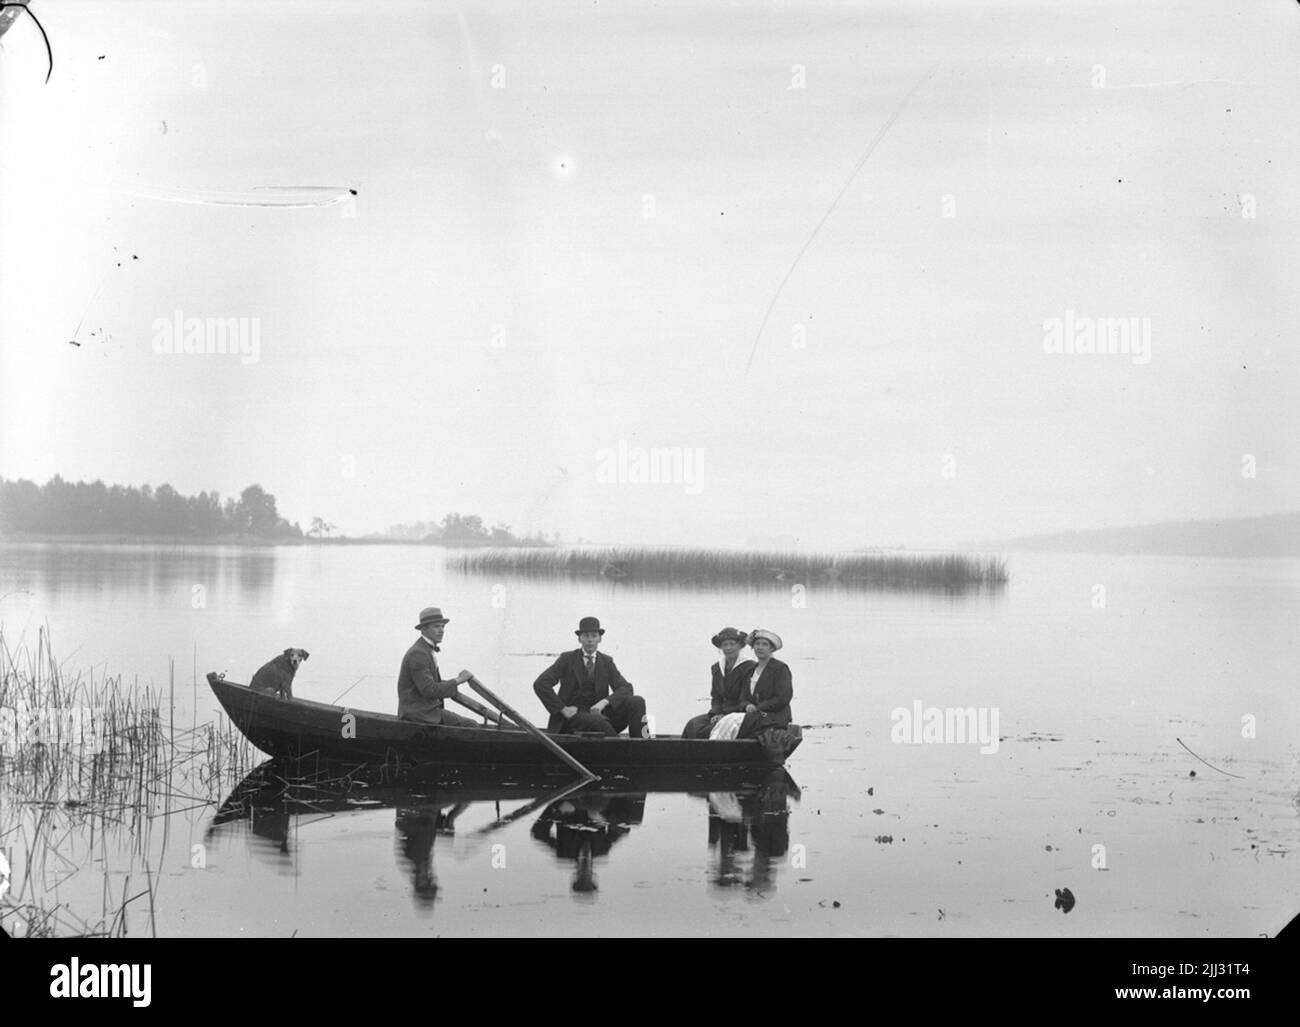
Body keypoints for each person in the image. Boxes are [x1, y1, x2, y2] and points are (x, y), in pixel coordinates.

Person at [533, 616, 649, 736]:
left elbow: (626, 688)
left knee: (637, 701)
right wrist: (563, 709)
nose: (590, 640)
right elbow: (541, 684)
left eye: (594, 636)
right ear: (579, 639)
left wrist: (604, 702)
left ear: (600, 639)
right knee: (598, 721)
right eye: (586, 636)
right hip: (572, 720)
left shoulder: (606, 661)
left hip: (600, 715)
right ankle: (621, 749)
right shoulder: (567, 659)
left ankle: (642, 744)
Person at [397, 607, 481, 727]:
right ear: (424, 629)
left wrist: (453, 685)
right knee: (471, 725)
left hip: (424, 711)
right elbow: (429, 690)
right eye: (436, 626)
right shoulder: (418, 653)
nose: (441, 630)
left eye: (443, 626)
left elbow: (431, 684)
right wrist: (459, 680)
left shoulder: (425, 649)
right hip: (419, 713)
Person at [681, 628, 755, 739]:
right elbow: (716, 696)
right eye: (725, 644)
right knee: (693, 724)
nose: (728, 648)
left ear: (739, 646)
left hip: (739, 713)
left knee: (714, 729)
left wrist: (724, 715)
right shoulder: (717, 668)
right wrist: (716, 713)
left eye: (732, 644)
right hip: (722, 712)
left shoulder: (749, 667)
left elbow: (745, 697)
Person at [737, 629, 793, 739]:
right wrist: (747, 706)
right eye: (757, 644)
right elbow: (742, 697)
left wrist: (758, 708)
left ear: (771, 648)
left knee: (738, 723)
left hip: (775, 717)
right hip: (754, 716)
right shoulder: (750, 670)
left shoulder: (780, 668)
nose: (760, 647)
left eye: (764, 644)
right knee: (729, 720)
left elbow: (783, 698)